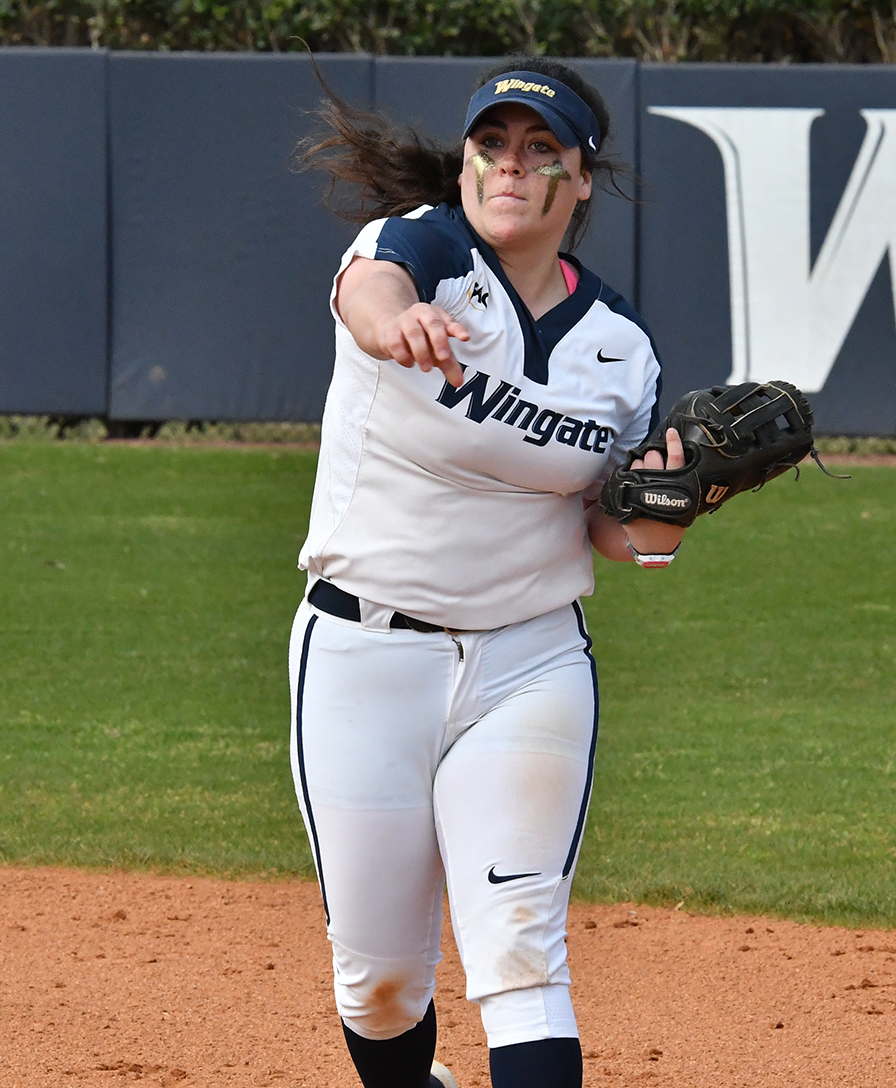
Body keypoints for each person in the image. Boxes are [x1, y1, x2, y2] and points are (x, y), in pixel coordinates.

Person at [289, 57, 687, 1088]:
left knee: (518, 951)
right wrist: (395, 323)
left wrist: (679, 505)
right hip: (362, 657)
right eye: (492, 145)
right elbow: (367, 294)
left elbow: (614, 525)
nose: (510, 164)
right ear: (465, 163)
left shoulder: (619, 347)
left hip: (528, 664)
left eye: (539, 150)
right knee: (376, 983)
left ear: (581, 180)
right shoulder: (415, 251)